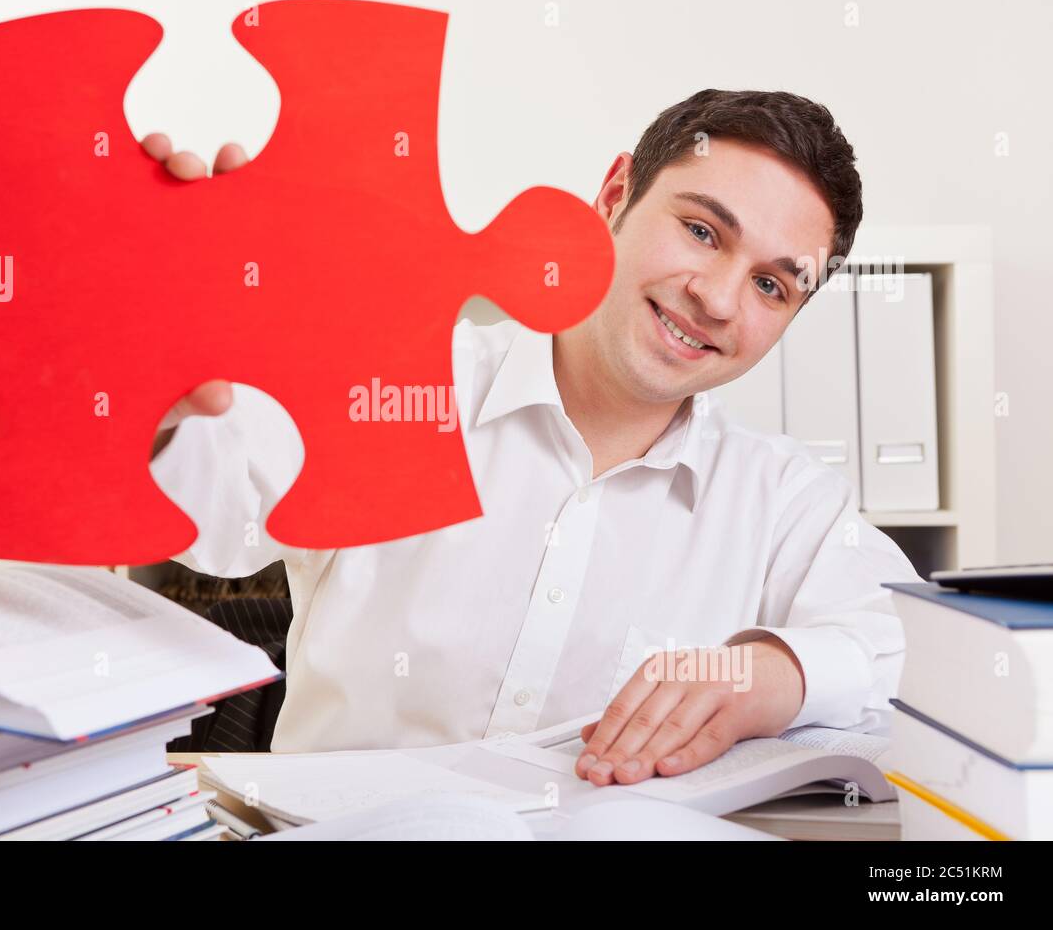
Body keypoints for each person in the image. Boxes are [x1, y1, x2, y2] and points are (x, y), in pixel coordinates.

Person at [145, 88, 921, 788]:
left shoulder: (784, 500)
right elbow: (192, 503)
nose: (717, 298)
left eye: (770, 285)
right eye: (700, 231)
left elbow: (927, 653)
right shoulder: (389, 385)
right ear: (614, 195)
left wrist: (774, 673)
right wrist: (150, 359)